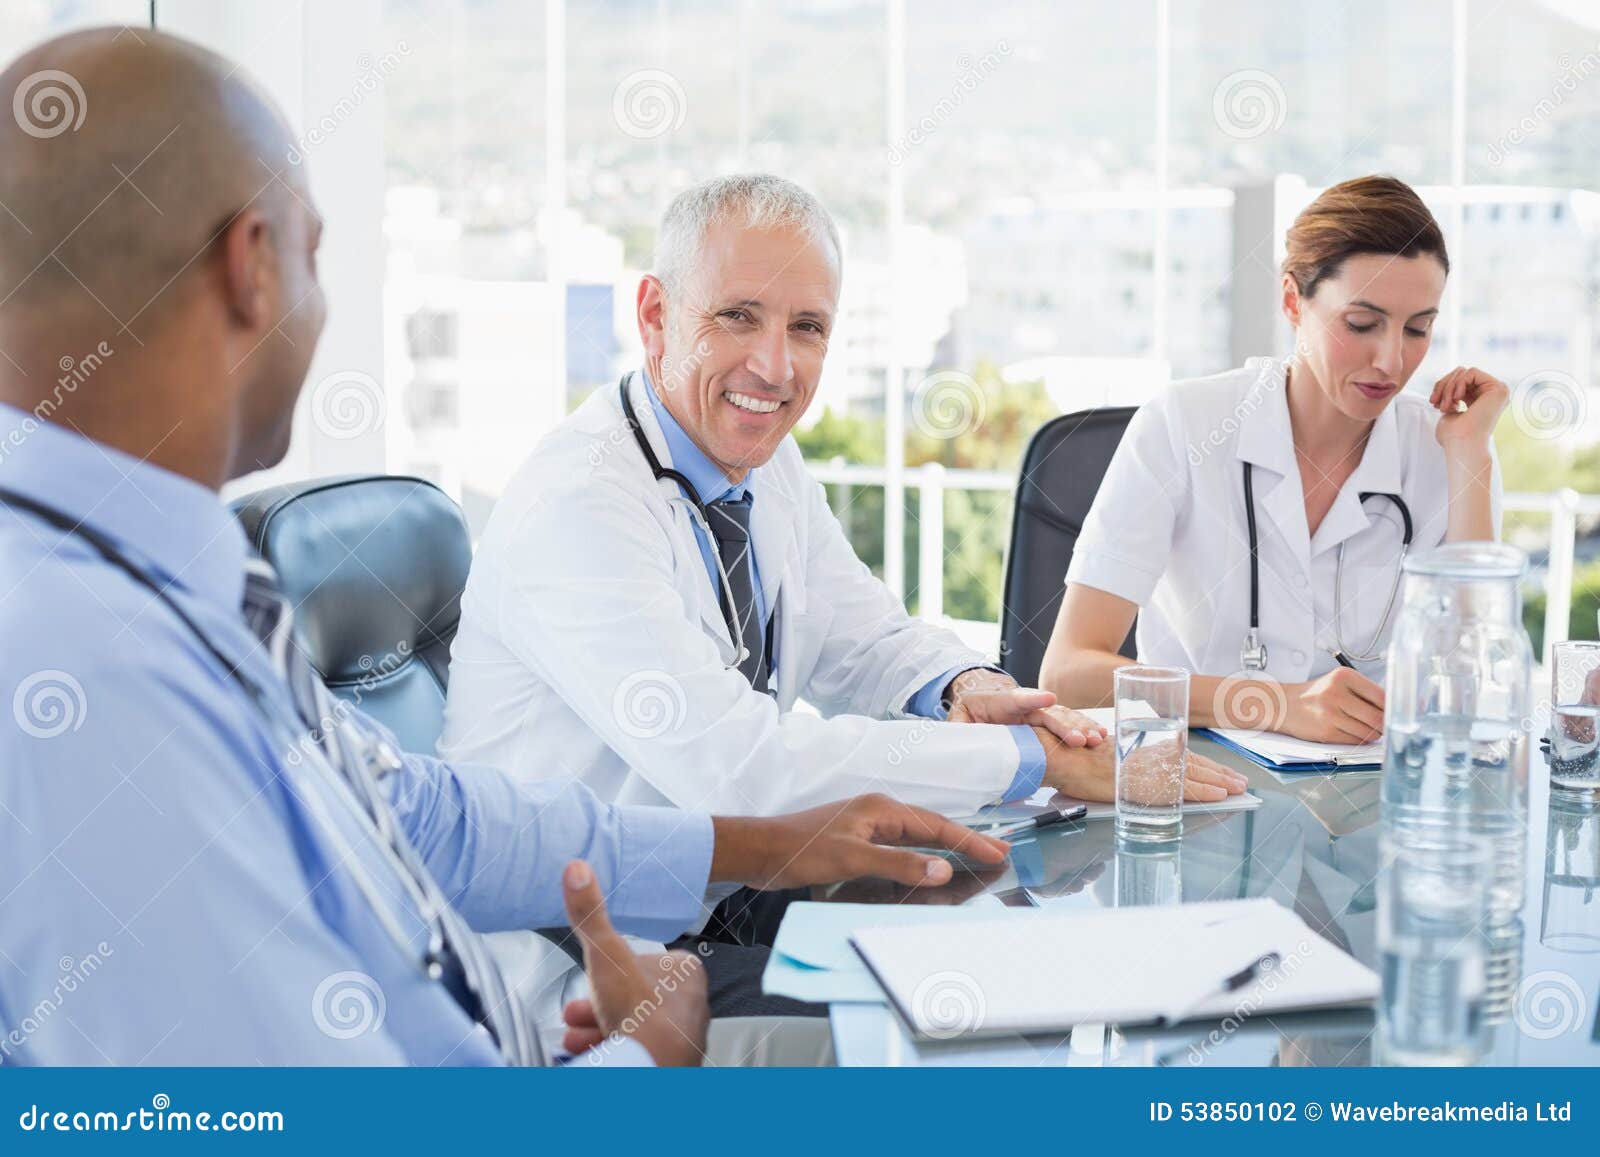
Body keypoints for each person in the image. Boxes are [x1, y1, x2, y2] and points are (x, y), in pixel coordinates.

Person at [0, 27, 1010, 1067]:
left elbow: (416, 813)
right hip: (561, 1022)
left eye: (806, 326)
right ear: (255, 266)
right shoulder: (87, 667)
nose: (775, 359)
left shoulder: (161, 572)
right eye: (316, 250)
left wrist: (766, 841)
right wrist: (648, 1057)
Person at [439, 174, 1246, 820]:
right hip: (600, 958)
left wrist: (966, 688)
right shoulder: (581, 504)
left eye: (807, 328)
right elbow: (740, 768)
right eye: (738, 317)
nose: (775, 367)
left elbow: (865, 639)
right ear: (655, 314)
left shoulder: (764, 466)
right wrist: (1036, 760)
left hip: (731, 893)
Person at [1040, 175, 1507, 745]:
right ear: (1293, 300)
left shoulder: (1448, 448)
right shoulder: (1186, 422)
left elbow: (1476, 686)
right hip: (1196, 787)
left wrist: (1470, 456)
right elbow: (1069, 674)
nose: (1391, 359)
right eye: (1361, 324)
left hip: (1370, 802)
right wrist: (1272, 703)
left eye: (1418, 329)